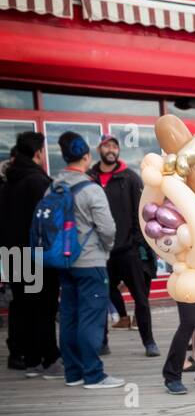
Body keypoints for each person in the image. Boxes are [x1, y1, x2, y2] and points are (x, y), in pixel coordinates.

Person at [53, 132, 123, 389]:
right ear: (86, 156)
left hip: (63, 261)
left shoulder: (54, 186)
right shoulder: (91, 188)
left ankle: (73, 373)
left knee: (69, 316)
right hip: (90, 262)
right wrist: (106, 248)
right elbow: (108, 228)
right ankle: (94, 375)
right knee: (91, 318)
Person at [90, 136, 158, 357]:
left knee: (141, 299)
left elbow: (142, 213)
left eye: (115, 146)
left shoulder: (130, 178)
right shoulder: (90, 178)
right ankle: (102, 341)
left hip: (129, 251)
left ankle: (149, 342)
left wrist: (138, 244)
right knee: (101, 296)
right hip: (101, 252)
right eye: (107, 146)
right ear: (99, 150)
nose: (111, 150)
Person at [0, 130, 59, 375]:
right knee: (43, 306)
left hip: (12, 252)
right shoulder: (38, 181)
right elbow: (48, 221)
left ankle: (21, 354)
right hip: (36, 254)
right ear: (37, 153)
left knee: (21, 304)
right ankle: (47, 356)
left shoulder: (7, 180)